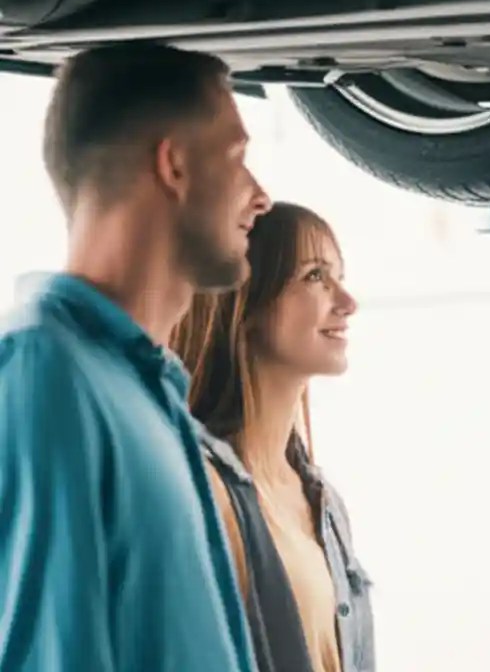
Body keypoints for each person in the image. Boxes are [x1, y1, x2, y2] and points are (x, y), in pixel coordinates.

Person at [0, 43, 271, 671]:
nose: (260, 197)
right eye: (237, 157)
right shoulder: (44, 375)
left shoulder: (149, 394)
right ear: (173, 164)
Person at [170, 201, 374, 672]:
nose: (347, 302)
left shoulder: (321, 500)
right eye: (315, 276)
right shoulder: (202, 492)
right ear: (246, 301)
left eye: (338, 275)